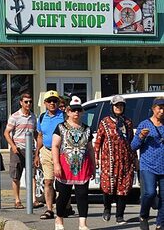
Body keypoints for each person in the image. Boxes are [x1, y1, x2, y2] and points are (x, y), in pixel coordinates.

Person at [52, 96, 95, 230]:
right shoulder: (61, 127)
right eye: (73, 110)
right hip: (65, 165)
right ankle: (59, 219)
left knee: (82, 195)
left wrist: (93, 165)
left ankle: (83, 223)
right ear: (68, 111)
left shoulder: (87, 129)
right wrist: (56, 164)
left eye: (79, 110)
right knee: (64, 195)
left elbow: (90, 148)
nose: (76, 112)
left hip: (83, 166)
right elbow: (55, 146)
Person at [94, 94, 135, 224]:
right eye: (116, 105)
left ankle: (120, 216)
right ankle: (107, 208)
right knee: (108, 187)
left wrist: (134, 159)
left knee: (123, 188)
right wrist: (96, 158)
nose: (119, 107)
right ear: (112, 106)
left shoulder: (127, 122)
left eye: (121, 105)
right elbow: (98, 141)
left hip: (125, 161)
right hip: (109, 160)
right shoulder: (104, 122)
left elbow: (131, 141)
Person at [131, 96, 164, 230]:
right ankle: (144, 215)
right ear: (153, 109)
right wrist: (141, 136)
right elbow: (133, 146)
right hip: (148, 165)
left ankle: (160, 223)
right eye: (160, 108)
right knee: (149, 193)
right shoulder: (144, 124)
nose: (162, 111)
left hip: (163, 165)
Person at [35, 91, 66, 220]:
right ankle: (49, 209)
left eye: (55, 101)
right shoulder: (42, 117)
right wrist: (36, 154)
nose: (52, 103)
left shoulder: (64, 116)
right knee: (48, 181)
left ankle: (65, 206)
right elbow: (40, 136)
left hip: (62, 152)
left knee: (63, 182)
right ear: (45, 103)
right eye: (49, 101)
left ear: (58, 103)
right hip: (47, 151)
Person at [5, 92, 37, 209]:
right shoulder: (14, 116)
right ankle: (17, 200)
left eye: (30, 102)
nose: (28, 104)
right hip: (18, 149)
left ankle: (33, 199)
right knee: (16, 175)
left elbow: (35, 133)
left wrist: (38, 148)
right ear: (21, 103)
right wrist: (13, 146)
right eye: (26, 102)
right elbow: (6, 133)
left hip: (30, 150)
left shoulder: (33, 117)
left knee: (32, 175)